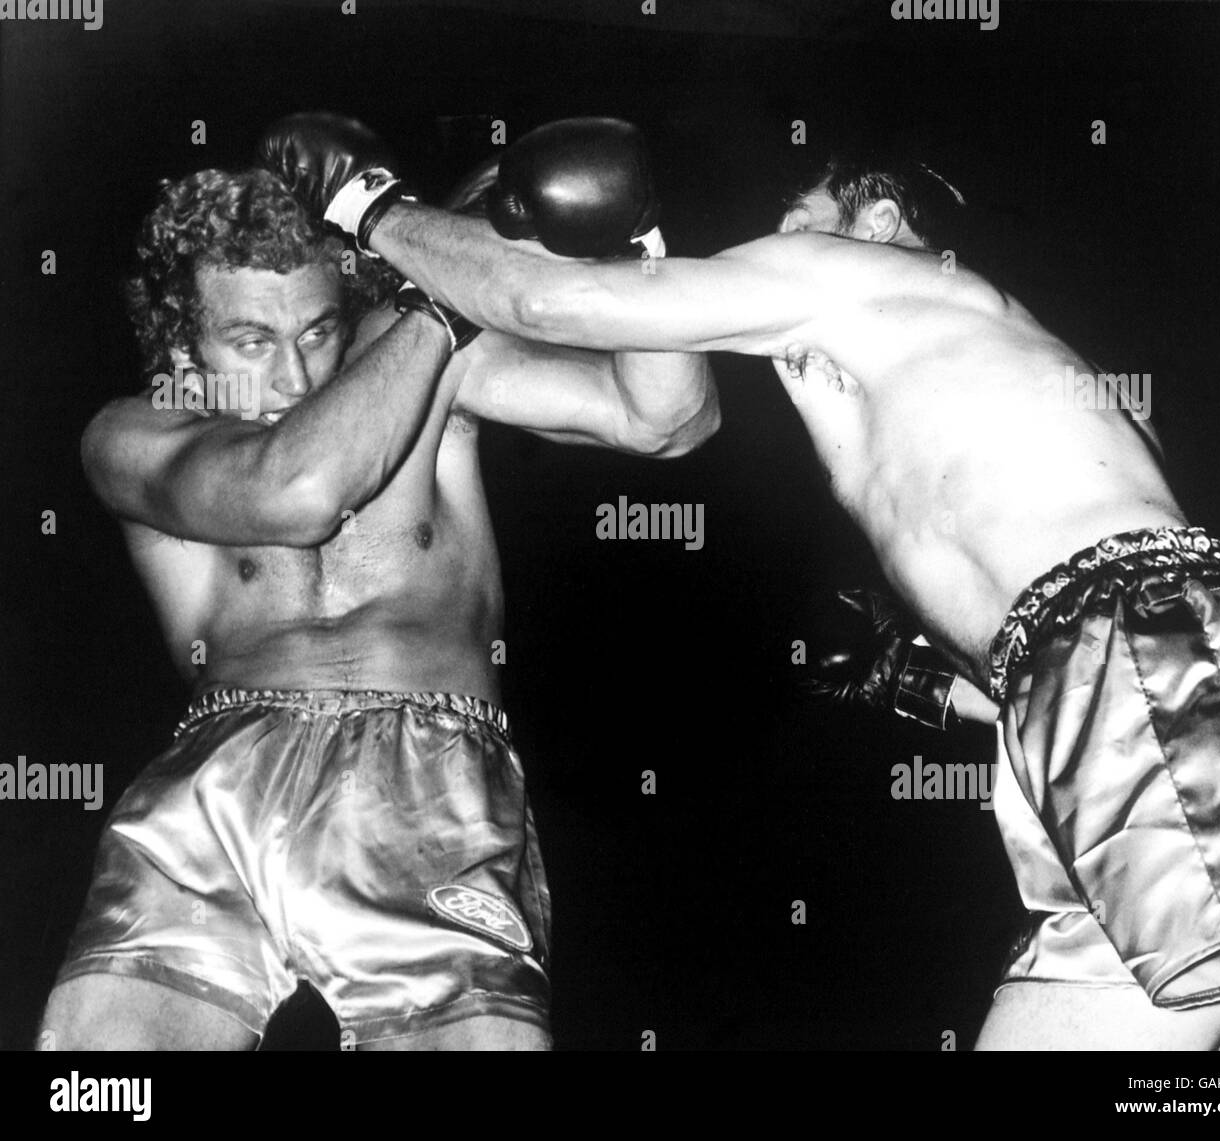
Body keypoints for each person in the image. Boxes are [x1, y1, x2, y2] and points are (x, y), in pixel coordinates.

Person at [282, 123, 1220, 1050]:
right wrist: (938, 687)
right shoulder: (990, 384)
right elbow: (1106, 664)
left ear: (880, 218)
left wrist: (364, 203)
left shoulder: (856, 277)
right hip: (1087, 709)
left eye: (791, 224)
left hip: (1147, 660)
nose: (762, 260)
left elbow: (547, 303)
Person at [40, 118, 718, 1050]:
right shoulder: (132, 434)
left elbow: (667, 419)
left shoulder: (420, 362)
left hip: (435, 782)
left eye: (317, 329)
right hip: (217, 789)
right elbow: (299, 491)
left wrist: (637, 243)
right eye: (248, 339)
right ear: (181, 343)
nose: (294, 370)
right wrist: (444, 288)